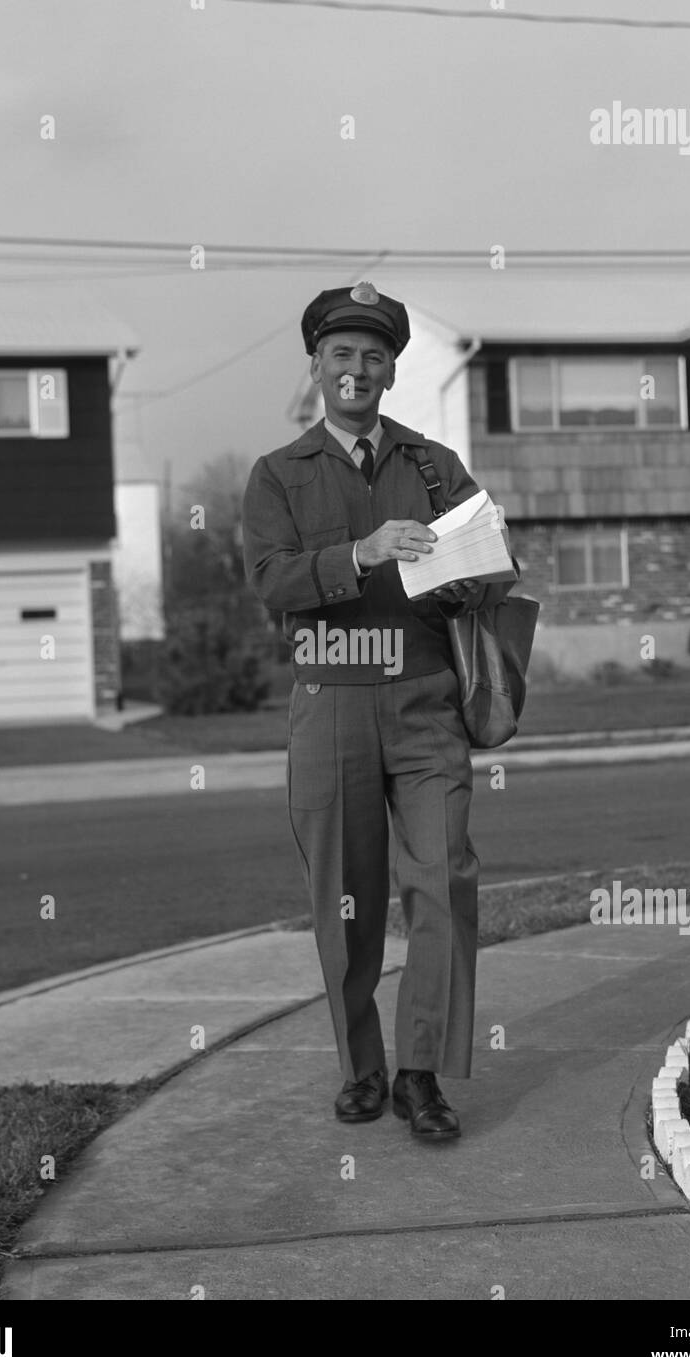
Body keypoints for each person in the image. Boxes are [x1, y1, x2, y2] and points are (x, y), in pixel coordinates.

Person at [241, 283, 511, 1140]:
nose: (357, 369)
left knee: (443, 883)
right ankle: (361, 1069)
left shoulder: (434, 466)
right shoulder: (276, 475)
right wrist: (359, 553)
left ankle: (420, 1074)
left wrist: (479, 568)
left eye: (374, 356)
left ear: (392, 370)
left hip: (428, 703)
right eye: (341, 355)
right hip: (331, 704)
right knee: (347, 898)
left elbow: (489, 571)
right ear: (317, 367)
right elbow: (271, 582)